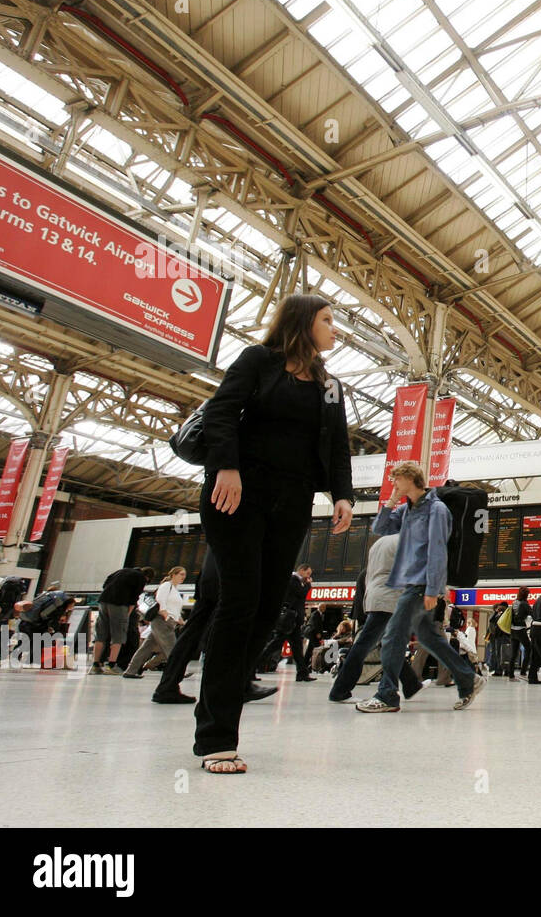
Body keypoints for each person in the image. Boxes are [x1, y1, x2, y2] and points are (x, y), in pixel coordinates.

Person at [193, 292, 354, 774]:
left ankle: (224, 697)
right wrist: (225, 466)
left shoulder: (329, 385)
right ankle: (217, 737)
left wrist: (341, 494)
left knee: (266, 611)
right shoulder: (257, 361)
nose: (334, 329)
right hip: (237, 495)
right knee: (240, 601)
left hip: (292, 502)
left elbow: (339, 444)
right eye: (327, 320)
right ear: (303, 323)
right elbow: (221, 411)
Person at [354, 461, 484, 713]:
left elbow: (438, 550)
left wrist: (433, 589)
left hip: (421, 582)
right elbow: (380, 528)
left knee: (392, 636)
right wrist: (391, 500)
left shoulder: (436, 510)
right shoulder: (408, 510)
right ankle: (468, 679)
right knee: (428, 637)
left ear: (410, 478)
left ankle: (387, 695)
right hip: (408, 581)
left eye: (396, 480)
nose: (393, 484)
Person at [151, 552, 277, 706]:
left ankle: (167, 685)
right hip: (229, 574)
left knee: (191, 633)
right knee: (234, 631)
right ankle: (236, 686)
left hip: (210, 575)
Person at [329, 533, 423, 703]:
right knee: (365, 645)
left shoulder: (378, 544)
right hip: (389, 599)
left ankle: (411, 684)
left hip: (374, 596)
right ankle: (340, 690)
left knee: (385, 643)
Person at [91, 565, 154, 675]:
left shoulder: (121, 571)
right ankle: (111, 665)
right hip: (119, 604)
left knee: (101, 634)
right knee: (118, 635)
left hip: (103, 601)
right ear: (148, 577)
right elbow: (134, 599)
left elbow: (105, 584)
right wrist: (127, 615)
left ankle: (95, 665)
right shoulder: (141, 578)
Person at [123, 568, 185, 679]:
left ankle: (130, 671)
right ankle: (177, 672)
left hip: (168, 622)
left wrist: (180, 620)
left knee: (146, 648)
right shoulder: (166, 586)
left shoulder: (175, 589)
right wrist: (165, 614)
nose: (183, 577)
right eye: (181, 574)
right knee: (172, 647)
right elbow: (160, 600)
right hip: (162, 621)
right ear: (173, 574)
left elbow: (174, 608)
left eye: (184, 575)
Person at [257, 565, 315, 681]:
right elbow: (301, 593)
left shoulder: (297, 581)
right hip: (289, 620)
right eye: (308, 573)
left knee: (297, 648)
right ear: (301, 570)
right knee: (275, 645)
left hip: (293, 620)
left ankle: (302, 673)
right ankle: (253, 666)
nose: (309, 577)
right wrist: (308, 585)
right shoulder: (293, 580)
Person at [506, 587, 531, 682]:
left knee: (513, 653)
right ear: (526, 595)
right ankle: (523, 672)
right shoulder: (524, 604)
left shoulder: (514, 602)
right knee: (529, 649)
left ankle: (511, 676)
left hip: (513, 630)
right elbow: (532, 613)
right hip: (521, 630)